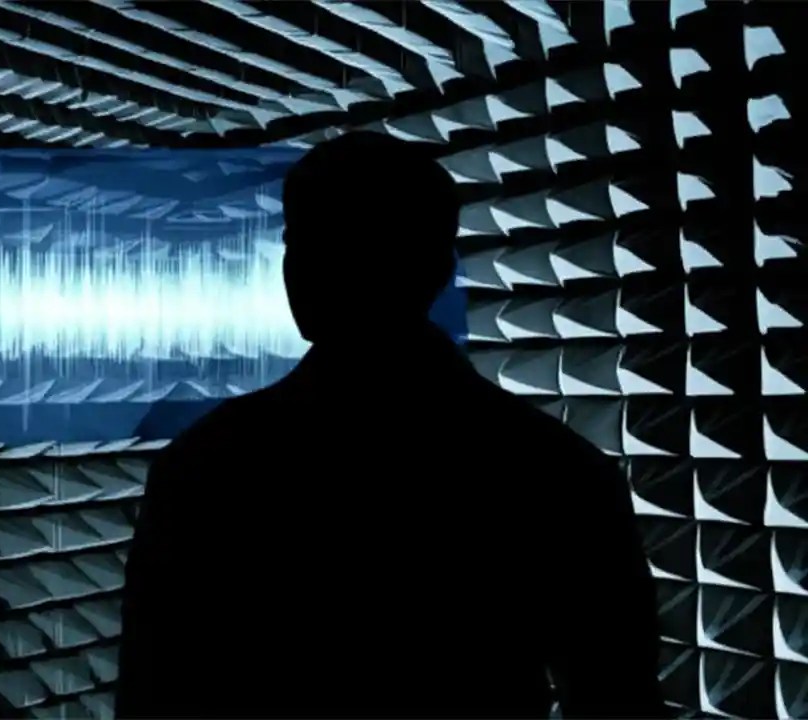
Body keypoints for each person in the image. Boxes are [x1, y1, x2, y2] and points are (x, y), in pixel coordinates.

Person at [115, 132, 667, 718]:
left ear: (428, 264)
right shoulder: (557, 472)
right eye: (300, 242)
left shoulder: (207, 468)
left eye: (329, 244)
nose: (299, 268)